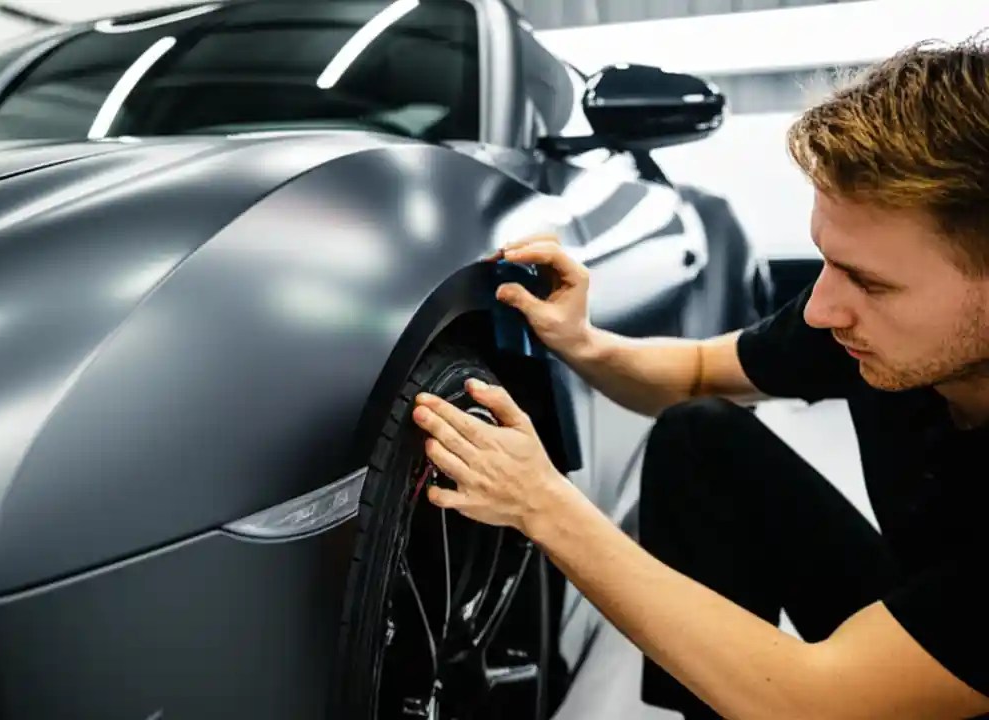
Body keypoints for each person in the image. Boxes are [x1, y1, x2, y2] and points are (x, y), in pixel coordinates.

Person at [410, 35, 989, 719]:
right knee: (701, 436)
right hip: (942, 616)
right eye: (828, 261)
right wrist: (581, 343)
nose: (826, 308)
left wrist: (543, 506)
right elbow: (690, 376)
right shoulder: (865, 321)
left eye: (872, 283)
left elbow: (819, 702)